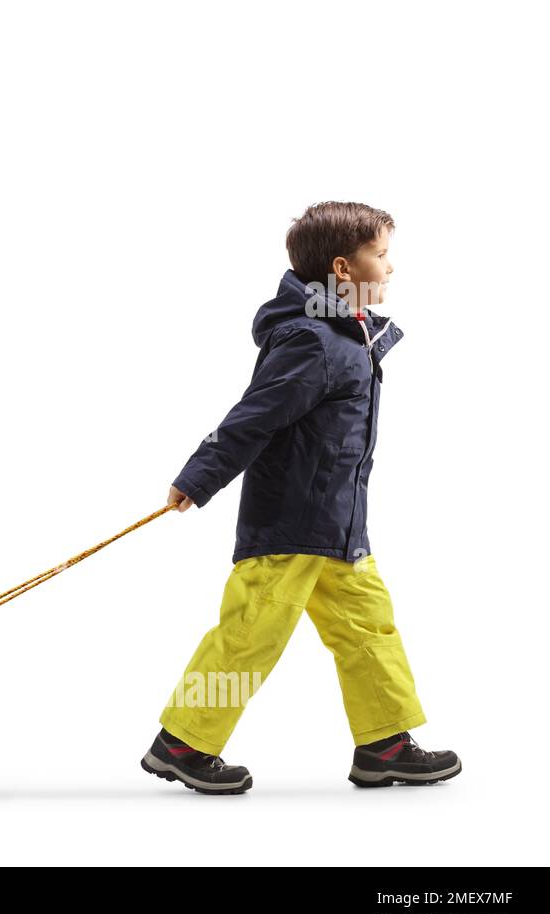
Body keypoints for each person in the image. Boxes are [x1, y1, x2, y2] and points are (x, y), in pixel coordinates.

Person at [140, 201, 461, 794]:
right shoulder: (314, 341)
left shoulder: (346, 336)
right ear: (344, 269)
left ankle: (384, 743)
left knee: (369, 629)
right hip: (287, 529)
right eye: (381, 255)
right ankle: (182, 742)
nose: (391, 267)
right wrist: (200, 476)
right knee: (249, 637)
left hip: (339, 529)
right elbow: (254, 418)